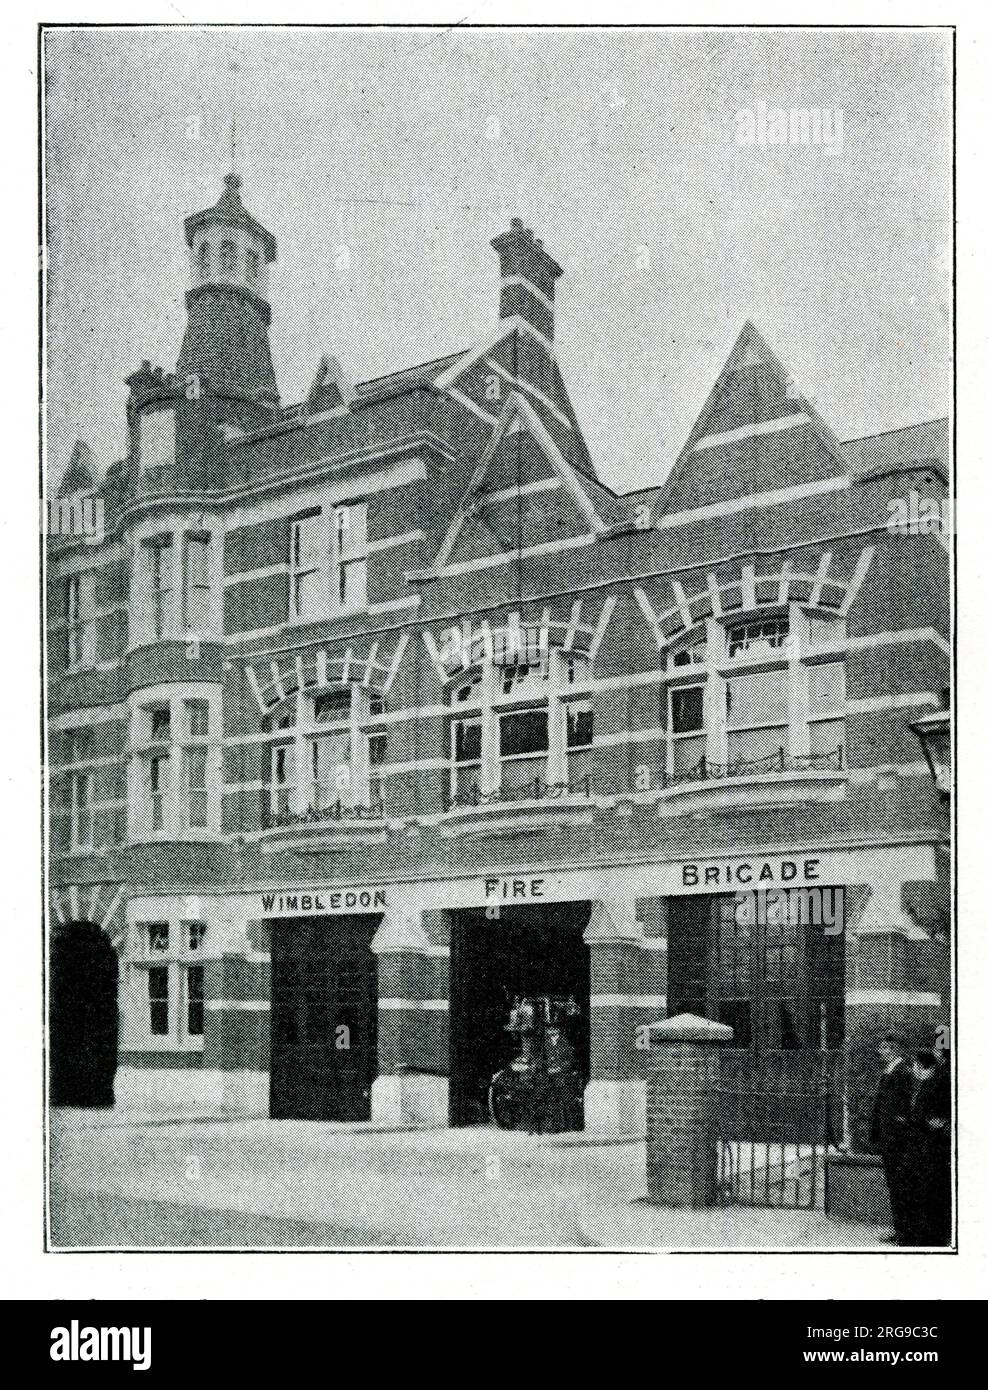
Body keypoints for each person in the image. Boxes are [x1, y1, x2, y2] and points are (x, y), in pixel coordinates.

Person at [901, 1050, 952, 1246]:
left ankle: (928, 1237)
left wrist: (930, 1122)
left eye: (914, 1065)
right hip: (921, 1147)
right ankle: (921, 1234)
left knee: (928, 1192)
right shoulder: (925, 1085)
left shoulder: (933, 1086)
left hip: (928, 1148)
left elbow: (932, 1117)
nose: (912, 1069)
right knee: (922, 1192)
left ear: (922, 1066)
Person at [870, 1035, 913, 1243]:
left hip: (896, 1139)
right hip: (888, 1138)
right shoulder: (890, 1071)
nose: (881, 1051)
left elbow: (903, 1107)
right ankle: (900, 1229)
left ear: (895, 1049)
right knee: (894, 1185)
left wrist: (897, 1127)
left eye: (885, 1048)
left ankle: (905, 1232)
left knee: (900, 1185)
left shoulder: (902, 1072)